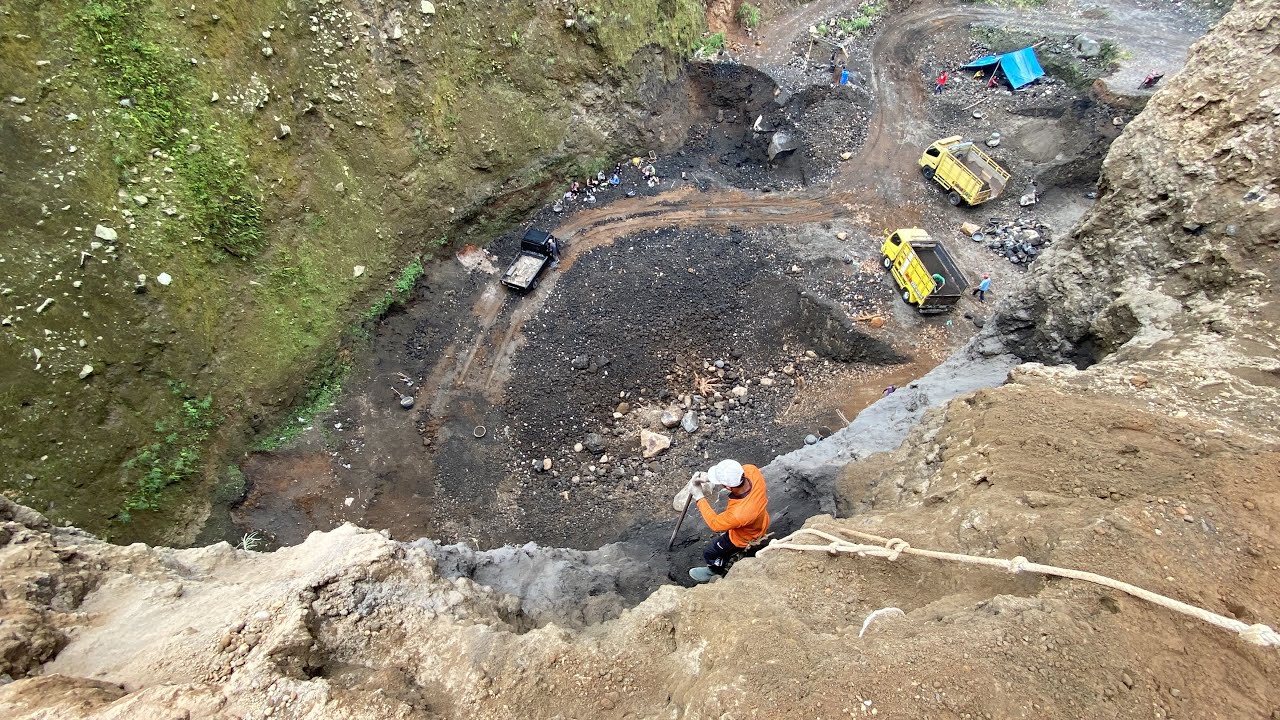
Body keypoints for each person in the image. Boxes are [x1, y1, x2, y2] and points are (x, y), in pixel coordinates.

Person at [687, 459, 770, 583]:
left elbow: (715, 524)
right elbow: (735, 474)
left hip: (744, 537)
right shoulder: (752, 471)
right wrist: (709, 477)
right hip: (761, 521)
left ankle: (714, 570)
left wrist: (699, 496)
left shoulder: (740, 513)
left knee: (711, 552)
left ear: (727, 487)